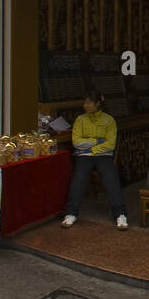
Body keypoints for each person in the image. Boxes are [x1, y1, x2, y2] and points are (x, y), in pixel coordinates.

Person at [59, 93, 128, 229]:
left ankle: (120, 214)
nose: (85, 105)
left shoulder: (109, 120)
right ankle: (71, 213)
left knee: (111, 178)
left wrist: (92, 149)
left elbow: (111, 144)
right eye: (85, 103)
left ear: (97, 104)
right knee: (79, 178)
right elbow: (77, 142)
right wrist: (97, 141)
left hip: (103, 155)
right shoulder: (80, 120)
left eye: (89, 103)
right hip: (84, 156)